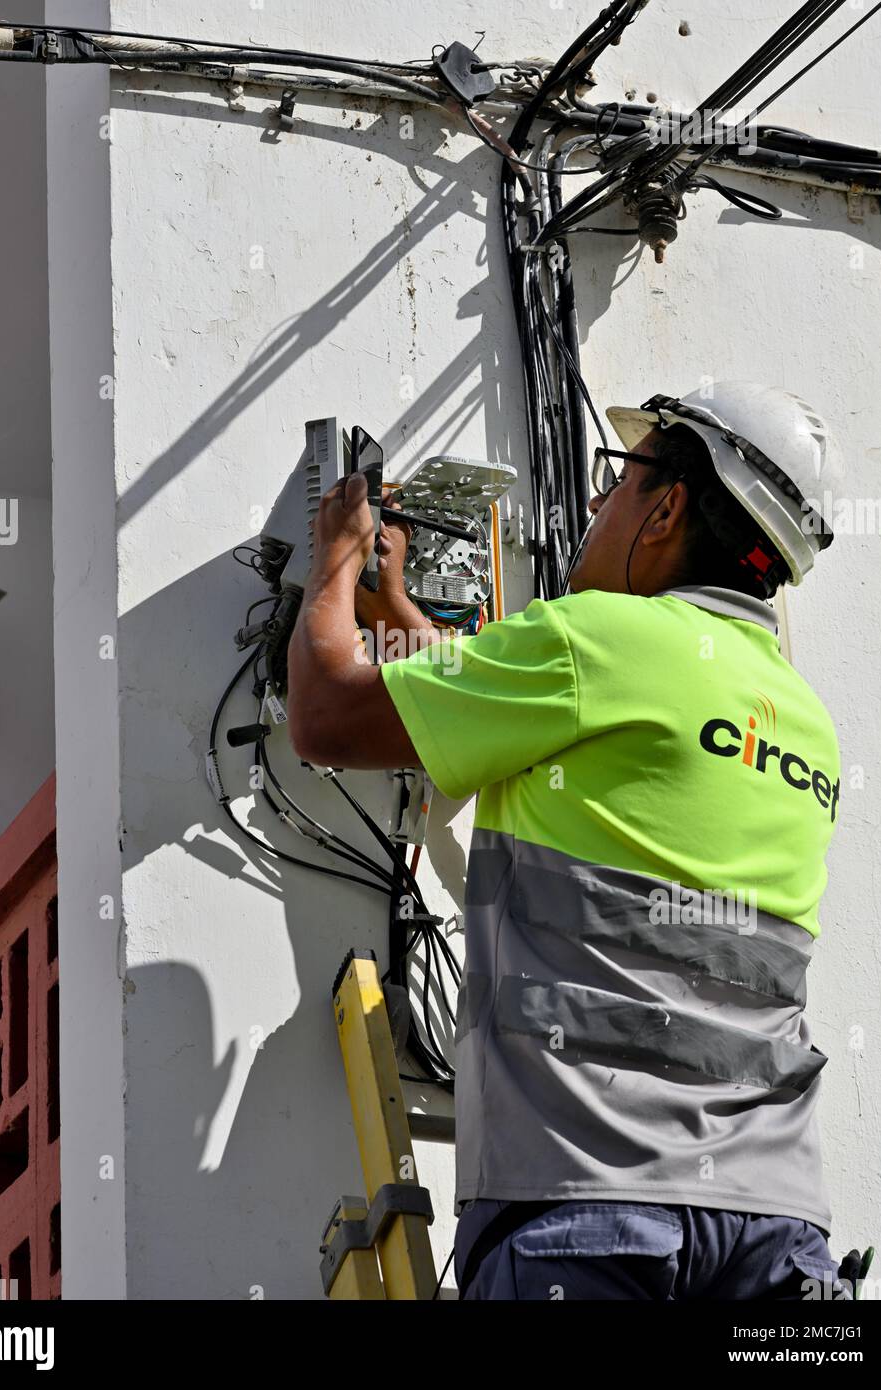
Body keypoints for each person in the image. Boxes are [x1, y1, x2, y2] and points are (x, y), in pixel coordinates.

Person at [287, 381, 852, 1300]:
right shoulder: (803, 724)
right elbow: (557, 746)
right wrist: (404, 620)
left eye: (620, 479)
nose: (596, 503)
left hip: (592, 1215)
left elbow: (323, 716)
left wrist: (337, 565)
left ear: (667, 507)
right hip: (777, 1239)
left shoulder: (595, 643)